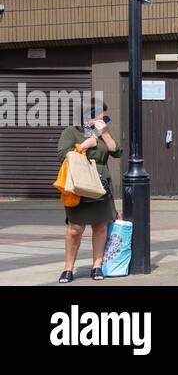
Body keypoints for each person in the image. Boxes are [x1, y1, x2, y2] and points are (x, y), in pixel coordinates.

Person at [56, 100, 122, 283]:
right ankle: (68, 268)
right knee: (75, 229)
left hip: (101, 185)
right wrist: (85, 145)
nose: (104, 119)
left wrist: (106, 134)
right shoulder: (71, 132)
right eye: (101, 115)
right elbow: (63, 154)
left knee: (100, 227)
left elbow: (117, 152)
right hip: (80, 184)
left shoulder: (102, 132)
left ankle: (97, 266)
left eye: (105, 116)